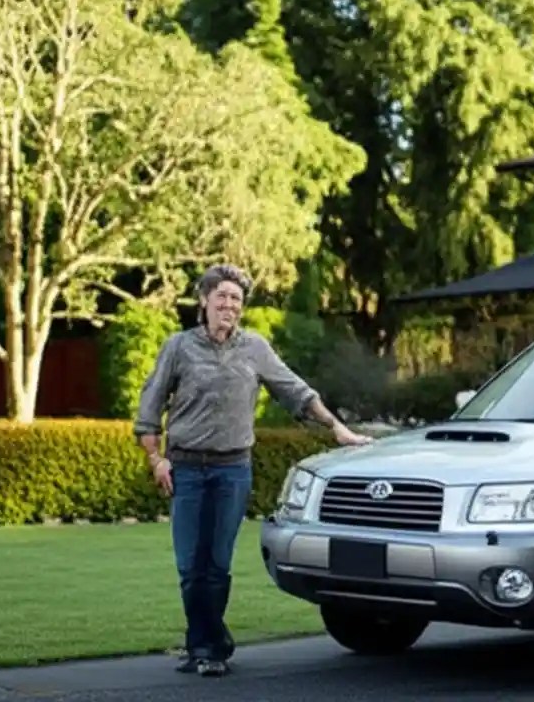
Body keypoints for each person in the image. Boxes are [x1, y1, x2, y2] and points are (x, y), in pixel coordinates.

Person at [133, 263, 372, 678]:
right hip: (187, 469)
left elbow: (296, 391)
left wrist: (336, 427)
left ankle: (207, 649)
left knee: (218, 564)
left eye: (236, 299)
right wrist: (156, 458)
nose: (229, 305)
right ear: (204, 300)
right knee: (192, 565)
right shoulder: (178, 347)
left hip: (232, 471)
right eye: (222, 296)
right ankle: (208, 644)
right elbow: (149, 408)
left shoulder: (255, 348)